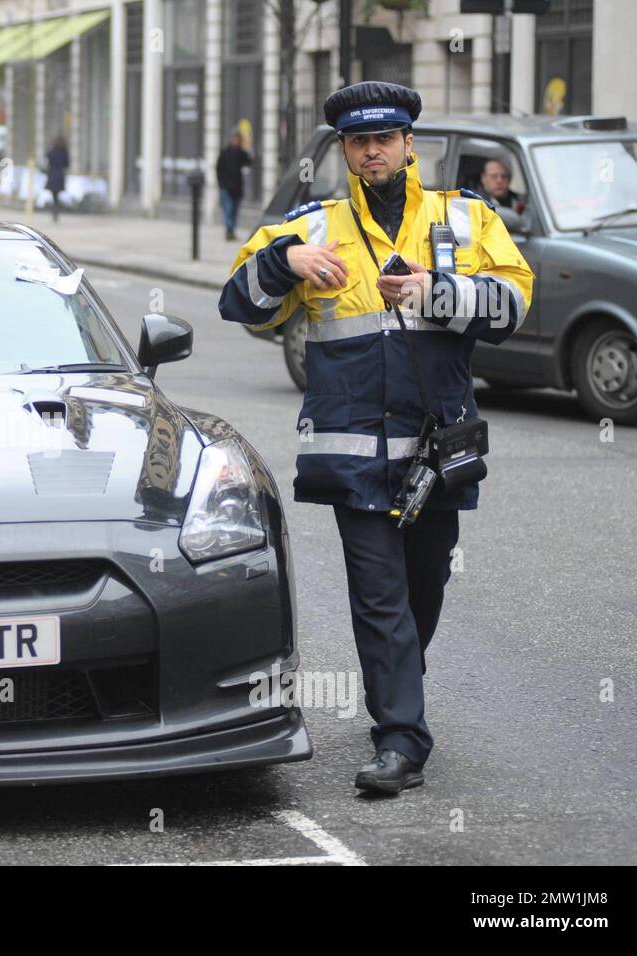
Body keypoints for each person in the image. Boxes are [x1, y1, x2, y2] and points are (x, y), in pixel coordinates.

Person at [218, 81, 535, 795]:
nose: (371, 151)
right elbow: (239, 302)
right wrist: (283, 263)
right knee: (379, 594)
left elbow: (514, 302)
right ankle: (400, 737)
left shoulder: (467, 216)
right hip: (353, 451)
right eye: (358, 142)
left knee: (424, 587)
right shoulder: (312, 227)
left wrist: (436, 292)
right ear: (344, 151)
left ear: (407, 144)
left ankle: (399, 690)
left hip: (437, 452)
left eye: (383, 139)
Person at [215, 131, 251, 240]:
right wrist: (221, 185)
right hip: (226, 188)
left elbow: (249, 162)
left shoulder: (241, 153)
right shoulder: (225, 153)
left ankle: (231, 231)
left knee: (234, 211)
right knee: (229, 210)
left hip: (237, 188)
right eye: (235, 139)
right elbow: (218, 169)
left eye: (238, 139)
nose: (237, 141)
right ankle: (229, 232)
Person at [45, 133, 70, 222]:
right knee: (56, 196)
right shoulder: (64, 152)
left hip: (52, 175)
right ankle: (56, 212)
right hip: (60, 175)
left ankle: (54, 212)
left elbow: (47, 157)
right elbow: (67, 164)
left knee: (54, 196)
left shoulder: (52, 151)